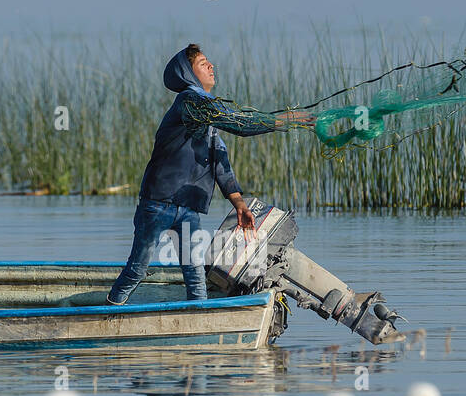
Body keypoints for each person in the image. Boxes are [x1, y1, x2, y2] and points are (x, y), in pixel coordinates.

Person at [107, 44, 313, 305]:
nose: (211, 66)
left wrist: (238, 203)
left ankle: (199, 318)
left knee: (194, 273)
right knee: (137, 269)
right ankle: (109, 311)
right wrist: (286, 119)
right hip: (158, 204)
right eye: (203, 63)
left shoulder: (207, 118)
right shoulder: (189, 101)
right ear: (188, 74)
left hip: (188, 207)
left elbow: (220, 161)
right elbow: (241, 124)